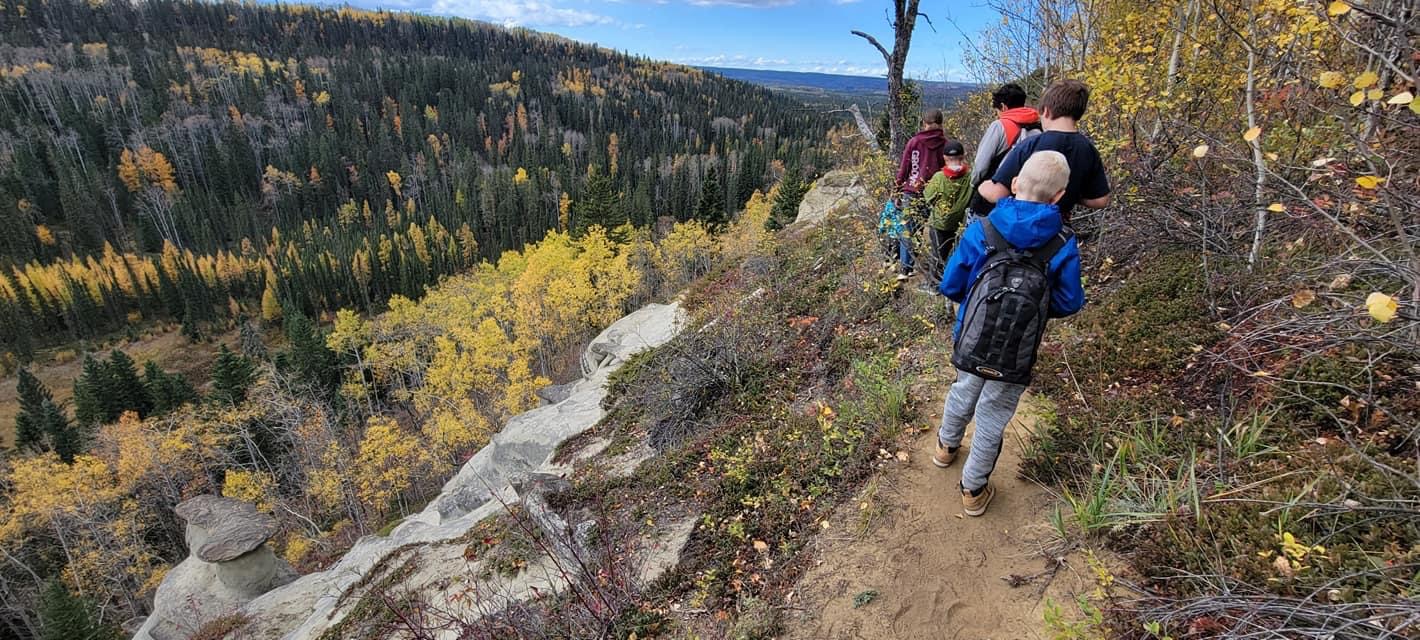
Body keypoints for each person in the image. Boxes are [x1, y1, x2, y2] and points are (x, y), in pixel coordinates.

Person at [934, 150, 1085, 516]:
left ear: (1014, 184)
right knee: (993, 414)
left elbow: (951, 284)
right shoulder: (1062, 242)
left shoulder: (983, 229)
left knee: (963, 389)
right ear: (1059, 196)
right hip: (1017, 349)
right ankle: (973, 490)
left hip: (971, 336)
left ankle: (946, 447)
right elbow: (1069, 302)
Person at [977, 80, 1110, 225]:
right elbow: (1101, 200)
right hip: (1058, 229)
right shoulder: (1088, 149)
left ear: (1046, 111)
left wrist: (982, 186)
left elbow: (997, 194)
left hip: (1023, 225)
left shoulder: (1031, 145)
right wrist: (1069, 193)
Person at [965, 83, 1041, 223]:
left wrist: (973, 185)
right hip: (1025, 197)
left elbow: (980, 166)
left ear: (1003, 107)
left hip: (993, 196)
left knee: (978, 237)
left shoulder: (999, 126)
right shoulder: (1038, 129)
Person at [894, 109, 948, 280]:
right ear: (940, 123)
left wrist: (896, 191)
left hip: (912, 190)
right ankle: (933, 266)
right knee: (929, 230)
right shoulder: (946, 144)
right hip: (934, 193)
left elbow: (904, 169)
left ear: (924, 123)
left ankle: (906, 268)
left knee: (908, 229)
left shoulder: (914, 142)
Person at [921, 140, 972, 289]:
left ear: (944, 158)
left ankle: (934, 285)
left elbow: (928, 196)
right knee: (950, 253)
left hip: (939, 222)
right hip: (957, 222)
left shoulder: (939, 177)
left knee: (937, 255)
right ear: (963, 156)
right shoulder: (969, 177)